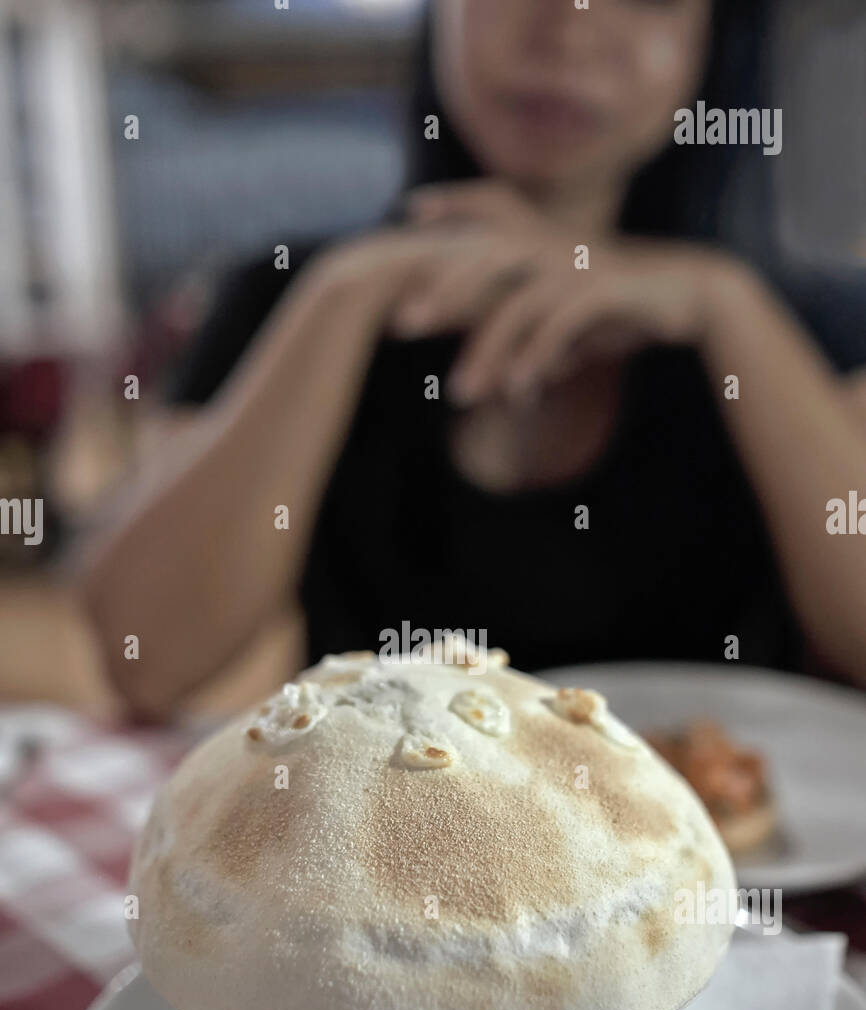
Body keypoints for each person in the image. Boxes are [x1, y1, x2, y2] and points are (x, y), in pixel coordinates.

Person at [83, 0, 866, 716]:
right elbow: (144, 660)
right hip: (394, 844)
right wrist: (346, 294)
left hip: (715, 857)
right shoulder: (286, 293)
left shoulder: (803, 324)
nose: (569, 28)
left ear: (717, 39)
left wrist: (724, 304)